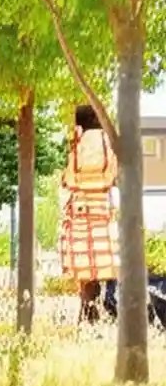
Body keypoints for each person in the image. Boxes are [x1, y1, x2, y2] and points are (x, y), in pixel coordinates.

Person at [61, 105, 119, 323]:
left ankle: (88, 309)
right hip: (102, 207)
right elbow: (113, 175)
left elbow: (69, 179)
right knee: (101, 261)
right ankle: (96, 305)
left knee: (83, 264)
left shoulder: (78, 144)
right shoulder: (108, 143)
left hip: (80, 209)